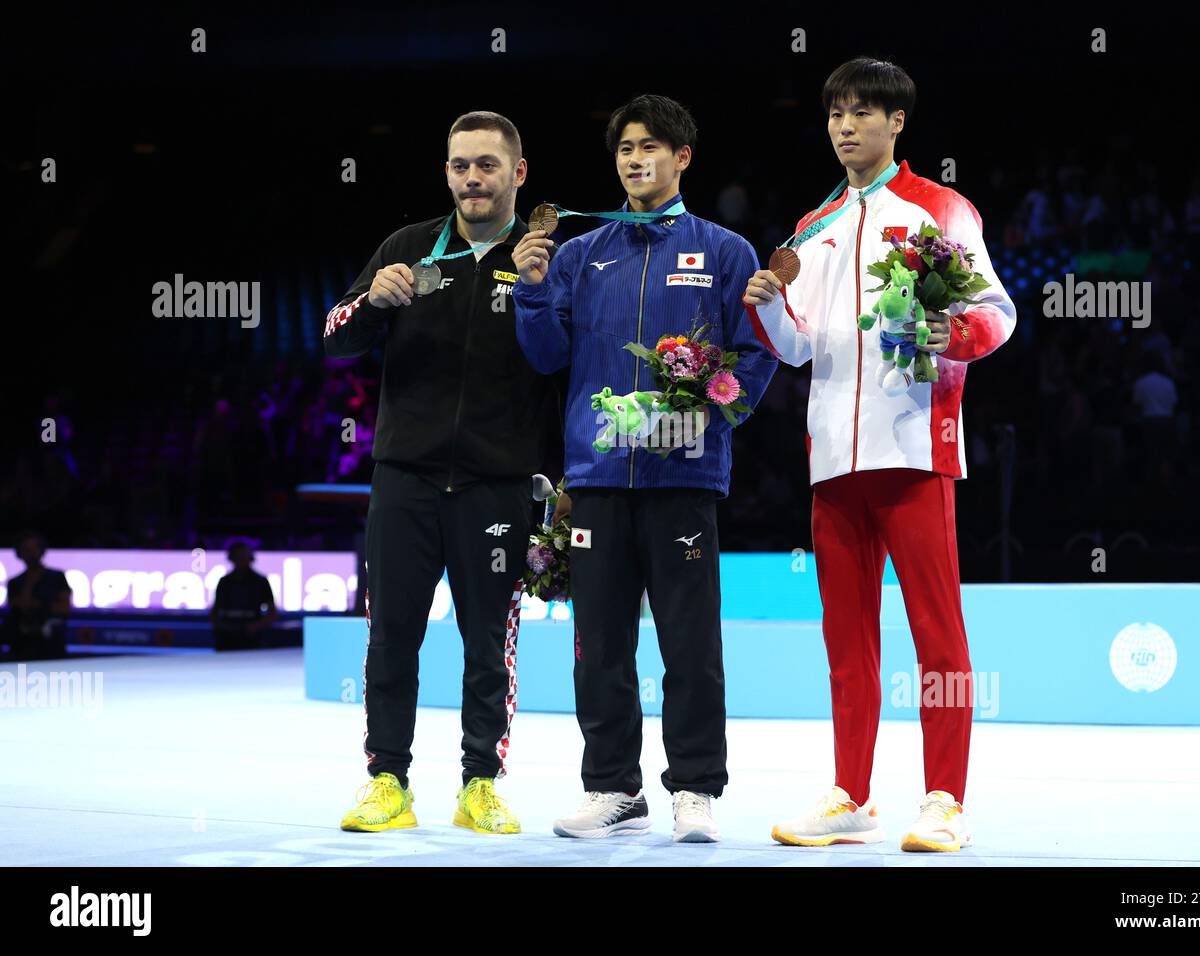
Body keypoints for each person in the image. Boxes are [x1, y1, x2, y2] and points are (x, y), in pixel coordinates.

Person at [743, 57, 1016, 852]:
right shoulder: (811, 228)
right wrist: (767, 312)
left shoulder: (941, 208)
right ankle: (851, 796)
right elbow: (797, 349)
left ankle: (943, 799)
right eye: (835, 113)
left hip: (914, 449)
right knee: (846, 636)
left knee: (938, 632)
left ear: (898, 122)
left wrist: (954, 333)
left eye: (863, 112)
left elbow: (995, 311)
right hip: (833, 455)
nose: (845, 126)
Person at [513, 94, 777, 843]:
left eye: (651, 146)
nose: (635, 159)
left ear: (683, 157)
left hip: (684, 479)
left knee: (690, 641)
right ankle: (612, 787)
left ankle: (695, 787)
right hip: (597, 479)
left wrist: (712, 410)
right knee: (599, 642)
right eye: (625, 147)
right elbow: (547, 358)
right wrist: (531, 293)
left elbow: (755, 353)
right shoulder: (576, 254)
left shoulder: (725, 252)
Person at [325, 111, 560, 835]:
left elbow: (562, 364)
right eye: (460, 165)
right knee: (391, 635)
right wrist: (372, 304)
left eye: (487, 165)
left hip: (496, 483)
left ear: (517, 173)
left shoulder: (544, 258)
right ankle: (387, 781)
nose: (472, 179)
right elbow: (335, 339)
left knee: (490, 640)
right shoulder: (406, 249)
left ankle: (480, 784)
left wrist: (554, 478)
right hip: (405, 478)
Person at [2, 531, 72, 661]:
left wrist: (40, 606)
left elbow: (64, 608)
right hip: (22, 643)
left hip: (51, 642)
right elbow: (16, 607)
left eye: (34, 548)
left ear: (42, 550)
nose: (31, 553)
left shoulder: (56, 577)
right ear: (19, 553)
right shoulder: (15, 582)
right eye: (26, 549)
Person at [209, 541, 278, 651]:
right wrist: (221, 627)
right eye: (238, 556)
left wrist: (256, 626)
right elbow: (215, 610)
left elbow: (272, 612)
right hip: (226, 636)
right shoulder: (224, 582)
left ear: (250, 558)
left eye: (244, 556)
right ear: (232, 558)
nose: (241, 560)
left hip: (252, 636)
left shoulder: (261, 582)